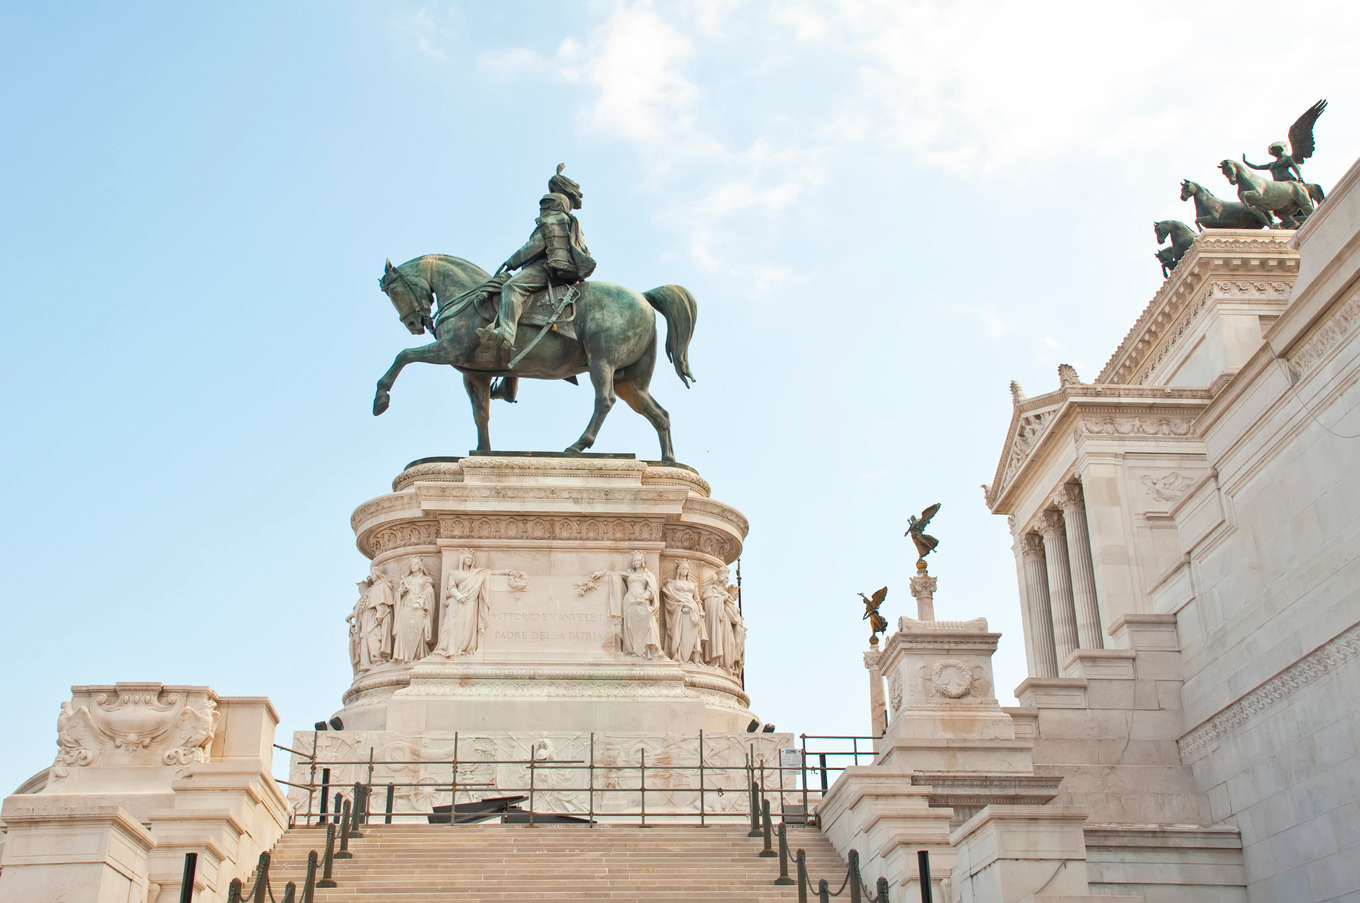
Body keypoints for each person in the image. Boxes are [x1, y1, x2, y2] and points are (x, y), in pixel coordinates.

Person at [477, 168, 595, 352]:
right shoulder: (569, 222)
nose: (542, 208)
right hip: (556, 269)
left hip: (545, 268)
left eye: (546, 204)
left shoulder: (554, 220)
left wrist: (511, 261)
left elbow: (535, 246)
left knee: (511, 287)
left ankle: (507, 333)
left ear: (557, 205)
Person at [603, 551, 664, 659]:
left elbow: (652, 589)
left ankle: (647, 650)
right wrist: (602, 573)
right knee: (630, 626)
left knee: (648, 624)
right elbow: (614, 574)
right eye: (634, 560)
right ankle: (632, 650)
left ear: (642, 561)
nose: (636, 562)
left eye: (638, 560)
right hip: (629, 600)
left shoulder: (648, 575)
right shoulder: (629, 573)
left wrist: (644, 596)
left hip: (642, 601)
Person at [434, 549, 495, 656]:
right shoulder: (454, 573)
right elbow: (451, 588)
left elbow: (491, 573)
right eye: (467, 558)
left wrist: (507, 572)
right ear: (462, 559)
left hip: (469, 603)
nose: (469, 560)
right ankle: (450, 648)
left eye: (471, 558)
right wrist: (458, 595)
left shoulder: (477, 573)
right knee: (452, 626)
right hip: (456, 603)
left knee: (466, 627)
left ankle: (463, 648)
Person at [662, 559, 707, 663]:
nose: (684, 570)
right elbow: (670, 596)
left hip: (693, 610)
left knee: (692, 634)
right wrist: (680, 605)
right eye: (682, 568)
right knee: (680, 634)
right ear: (678, 570)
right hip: (680, 611)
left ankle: (692, 657)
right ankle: (679, 656)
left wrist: (700, 610)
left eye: (686, 569)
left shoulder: (693, 584)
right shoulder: (672, 584)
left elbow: (697, 599)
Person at [393, 558, 435, 663]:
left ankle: (419, 654)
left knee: (417, 629)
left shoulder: (426, 579)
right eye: (412, 565)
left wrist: (421, 599)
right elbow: (398, 593)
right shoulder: (406, 580)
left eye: (415, 564)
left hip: (418, 606)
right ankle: (403, 656)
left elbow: (429, 590)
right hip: (407, 606)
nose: (413, 566)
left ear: (420, 566)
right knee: (403, 628)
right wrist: (402, 591)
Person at [701, 566, 730, 666]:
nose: (727, 580)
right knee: (714, 635)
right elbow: (708, 601)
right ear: (721, 578)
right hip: (714, 619)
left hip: (722, 621)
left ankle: (722, 662)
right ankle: (713, 659)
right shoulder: (711, 589)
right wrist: (721, 599)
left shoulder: (724, 591)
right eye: (726, 578)